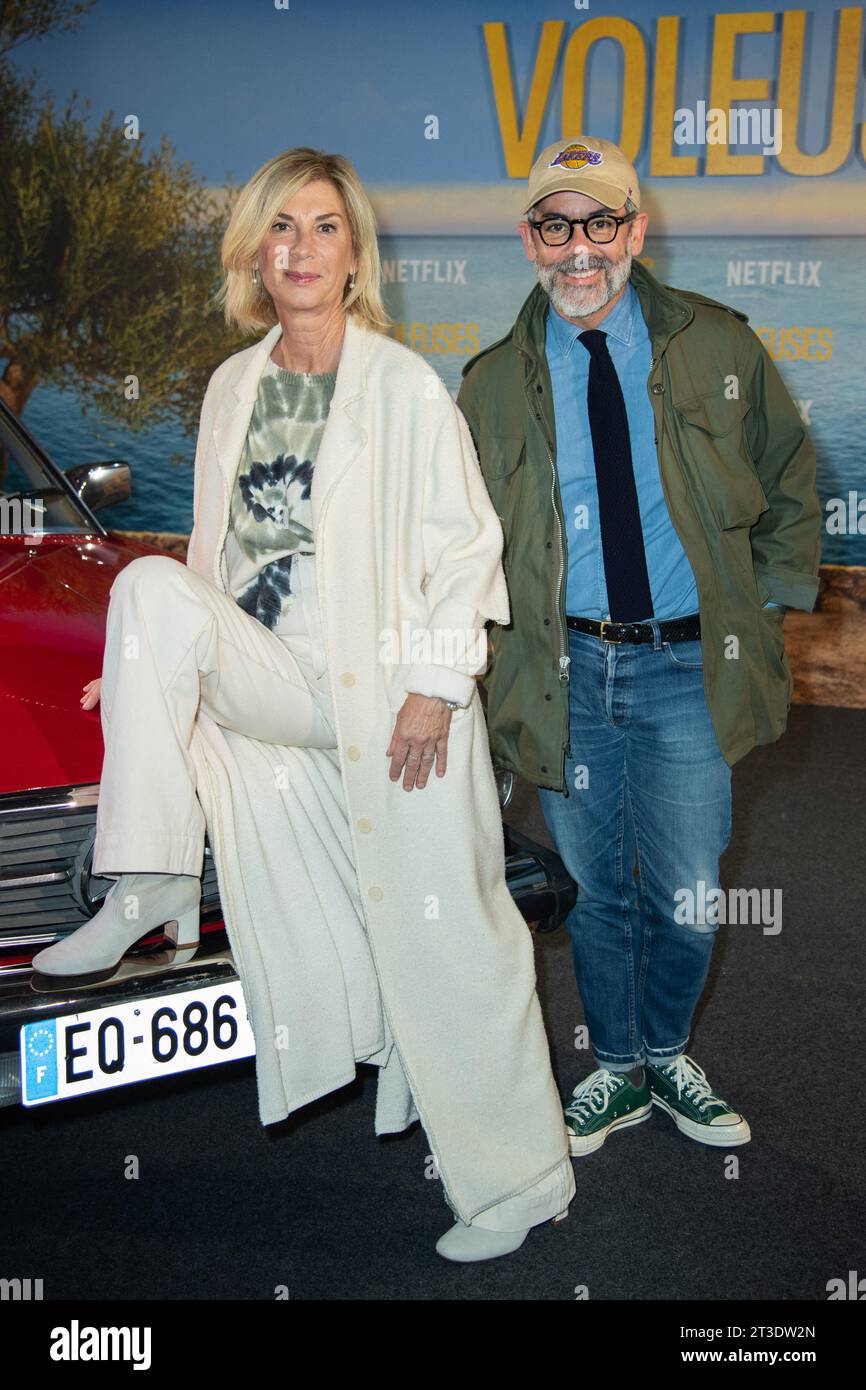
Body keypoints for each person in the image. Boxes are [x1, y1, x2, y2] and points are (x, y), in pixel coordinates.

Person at [31, 147, 575, 1261]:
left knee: (455, 937)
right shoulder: (235, 384)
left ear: (354, 253)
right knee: (144, 585)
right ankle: (148, 881)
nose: (300, 250)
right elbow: (208, 558)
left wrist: (433, 685)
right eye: (280, 229)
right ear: (253, 253)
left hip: (385, 691)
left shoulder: (402, 384)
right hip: (278, 676)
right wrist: (150, 665)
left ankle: (521, 1182)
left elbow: (467, 552)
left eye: (323, 228)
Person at [457, 135, 821, 1159]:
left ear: (635, 230)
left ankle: (668, 1050)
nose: (579, 250)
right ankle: (615, 1067)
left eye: (599, 223)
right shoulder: (487, 385)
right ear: (528, 238)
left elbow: (791, 480)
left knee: (690, 889)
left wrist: (768, 608)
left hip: (684, 668)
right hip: (561, 671)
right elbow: (460, 543)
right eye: (555, 226)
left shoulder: (717, 346)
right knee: (599, 893)